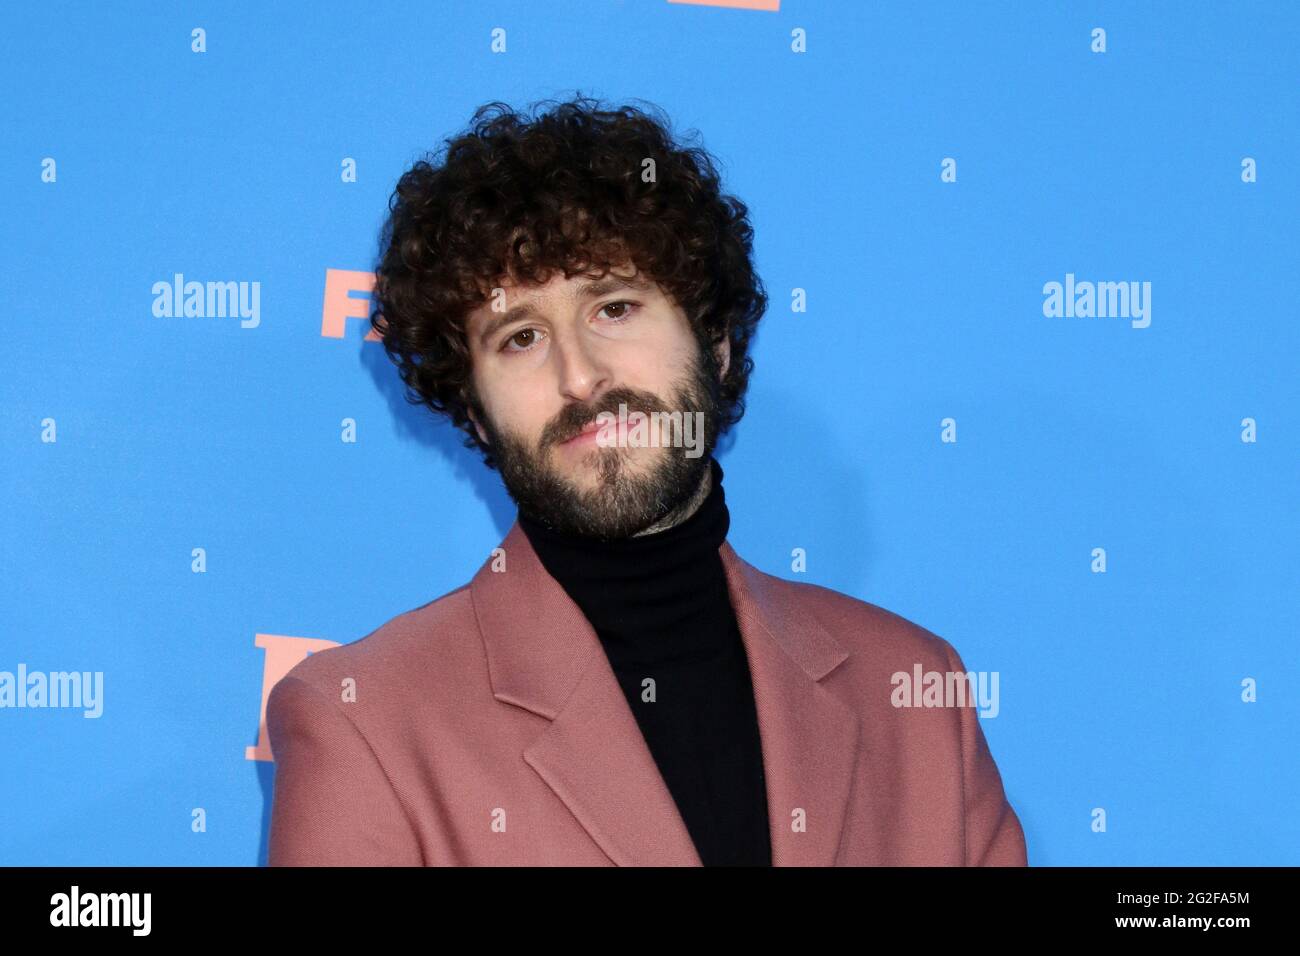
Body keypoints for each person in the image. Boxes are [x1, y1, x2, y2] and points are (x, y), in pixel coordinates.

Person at [265, 94, 1028, 866]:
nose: (580, 376)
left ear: (715, 343)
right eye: (521, 337)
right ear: (477, 412)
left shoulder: (913, 689)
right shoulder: (367, 723)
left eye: (615, 307)